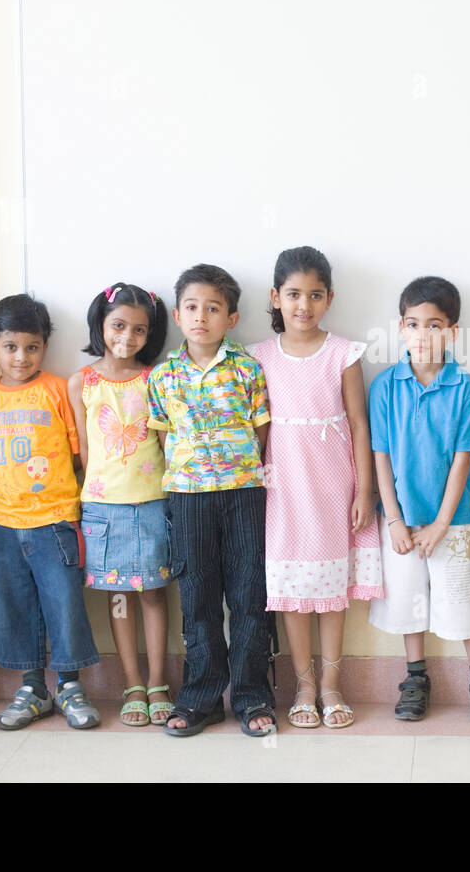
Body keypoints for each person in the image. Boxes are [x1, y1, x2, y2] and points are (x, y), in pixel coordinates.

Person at [249, 247, 382, 729]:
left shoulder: (343, 353)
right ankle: (303, 685)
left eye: (314, 295)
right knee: (291, 589)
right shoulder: (259, 356)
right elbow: (259, 429)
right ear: (276, 297)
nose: (303, 304)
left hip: (332, 486)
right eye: (293, 294)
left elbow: (360, 424)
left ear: (329, 299)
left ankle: (331, 685)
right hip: (283, 487)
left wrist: (364, 491)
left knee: (331, 590)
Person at [368, 276, 470, 725]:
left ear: (452, 332)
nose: (423, 335)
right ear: (401, 328)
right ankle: (415, 677)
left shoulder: (465, 388)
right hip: (401, 522)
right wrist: (394, 521)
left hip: (453, 519)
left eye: (434, 325)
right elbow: (380, 459)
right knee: (408, 600)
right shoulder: (385, 386)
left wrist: (441, 525)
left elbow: (462, 462)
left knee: (462, 599)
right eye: (413, 324)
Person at [149, 264, 276, 737]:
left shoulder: (247, 368)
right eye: (192, 307)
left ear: (233, 318)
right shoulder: (163, 376)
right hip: (188, 498)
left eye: (213, 308)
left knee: (248, 596)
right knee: (197, 598)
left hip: (244, 493)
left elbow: (263, 431)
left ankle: (251, 696)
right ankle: (201, 698)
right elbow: (162, 437)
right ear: (178, 316)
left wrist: (239, 470)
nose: (202, 316)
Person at [0, 294, 101, 730]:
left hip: (55, 520)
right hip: (2, 522)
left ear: (44, 347)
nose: (20, 356)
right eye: (10, 346)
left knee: (63, 602)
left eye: (32, 347)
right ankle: (32, 688)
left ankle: (70, 685)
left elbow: (77, 452)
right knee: (13, 606)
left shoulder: (57, 389)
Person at [68, 282, 173, 727]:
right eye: (118, 326)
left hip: (151, 503)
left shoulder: (156, 379)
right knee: (118, 597)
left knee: (153, 593)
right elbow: (85, 450)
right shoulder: (82, 381)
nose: (127, 338)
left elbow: (167, 443)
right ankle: (131, 682)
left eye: (139, 330)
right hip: (102, 507)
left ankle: (157, 682)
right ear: (101, 324)